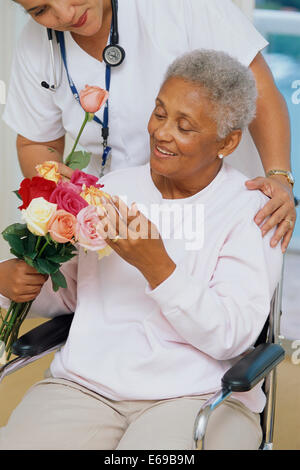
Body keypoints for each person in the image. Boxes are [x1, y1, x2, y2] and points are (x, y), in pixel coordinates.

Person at [0, 49, 283, 450]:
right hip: (86, 387)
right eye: (160, 113)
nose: (162, 133)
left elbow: (231, 338)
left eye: (184, 126)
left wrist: (158, 268)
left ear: (227, 140)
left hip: (196, 396)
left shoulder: (252, 210)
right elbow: (70, 296)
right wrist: (17, 278)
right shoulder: (112, 189)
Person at [3, 0, 296, 253]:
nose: (65, 14)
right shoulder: (36, 43)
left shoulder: (177, 7)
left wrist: (280, 174)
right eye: (41, 10)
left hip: (212, 209)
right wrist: (64, 207)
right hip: (120, 223)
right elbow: (37, 142)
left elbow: (260, 91)